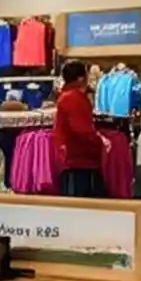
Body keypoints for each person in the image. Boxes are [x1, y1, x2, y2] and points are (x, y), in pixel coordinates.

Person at [52, 61, 107, 197]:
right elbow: (81, 128)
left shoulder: (68, 96)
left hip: (75, 157)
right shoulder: (74, 98)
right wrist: (99, 141)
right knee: (79, 202)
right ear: (81, 78)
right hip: (78, 158)